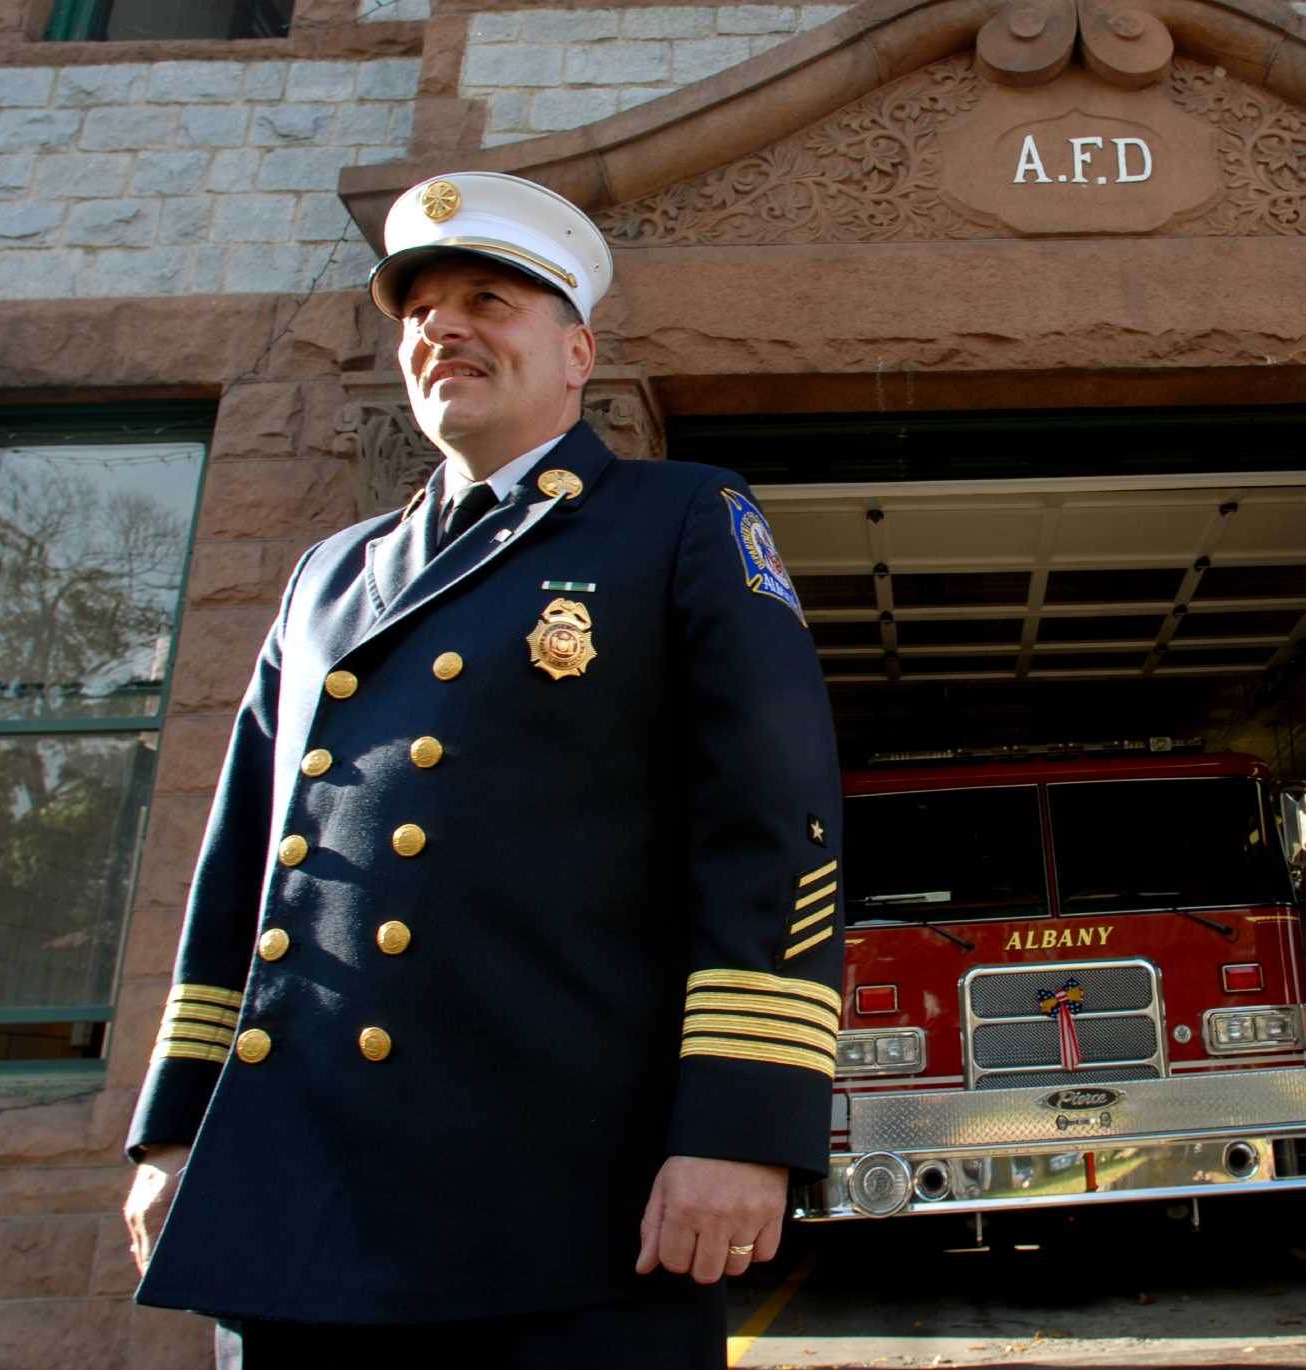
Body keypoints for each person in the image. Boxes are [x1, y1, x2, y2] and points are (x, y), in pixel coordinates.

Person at [119, 171, 844, 1367]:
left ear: (577, 352)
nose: (439, 327)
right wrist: (175, 1132)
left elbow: (775, 829)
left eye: (487, 299)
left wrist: (739, 1126)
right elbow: (240, 871)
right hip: (299, 1194)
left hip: (566, 1207)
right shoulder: (327, 576)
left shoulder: (676, 520)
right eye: (416, 312)